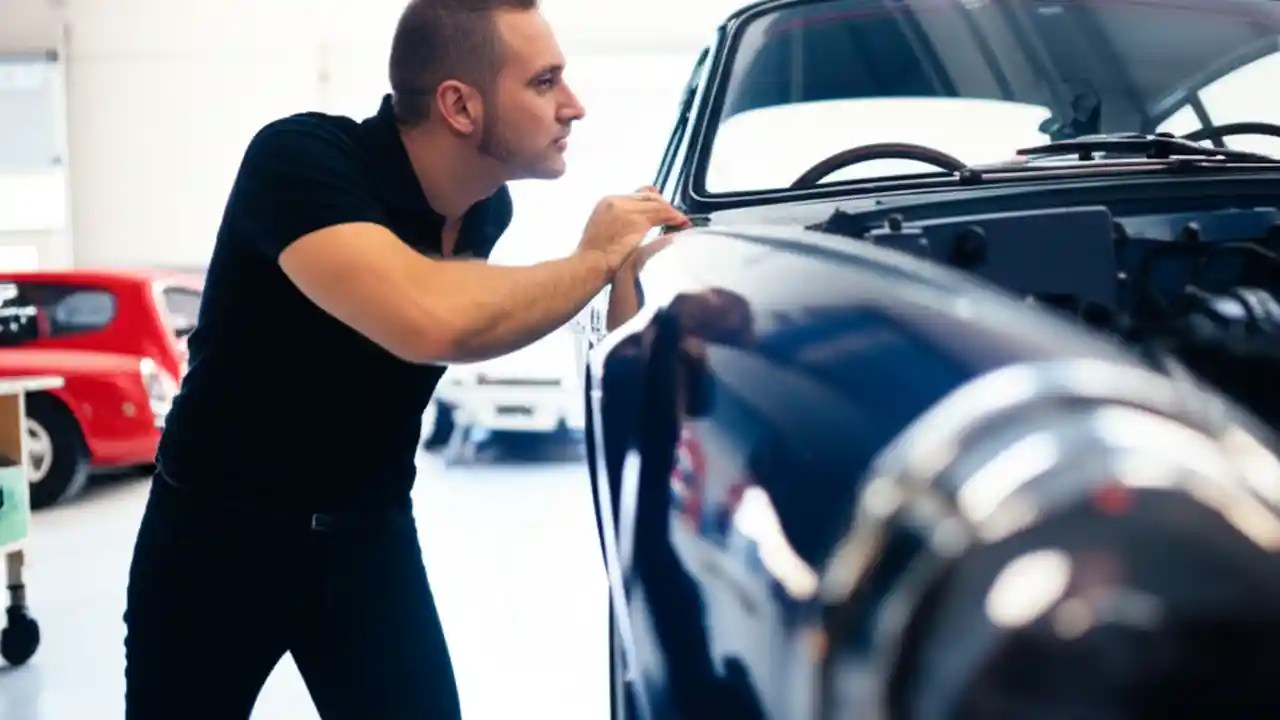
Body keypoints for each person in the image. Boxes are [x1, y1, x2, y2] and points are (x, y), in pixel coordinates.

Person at [121, 0, 689, 718]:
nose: (573, 106)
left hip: (369, 537)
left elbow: (483, 311)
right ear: (458, 104)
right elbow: (433, 319)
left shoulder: (488, 210)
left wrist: (635, 275)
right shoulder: (299, 163)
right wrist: (595, 256)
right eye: (544, 82)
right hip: (216, 542)